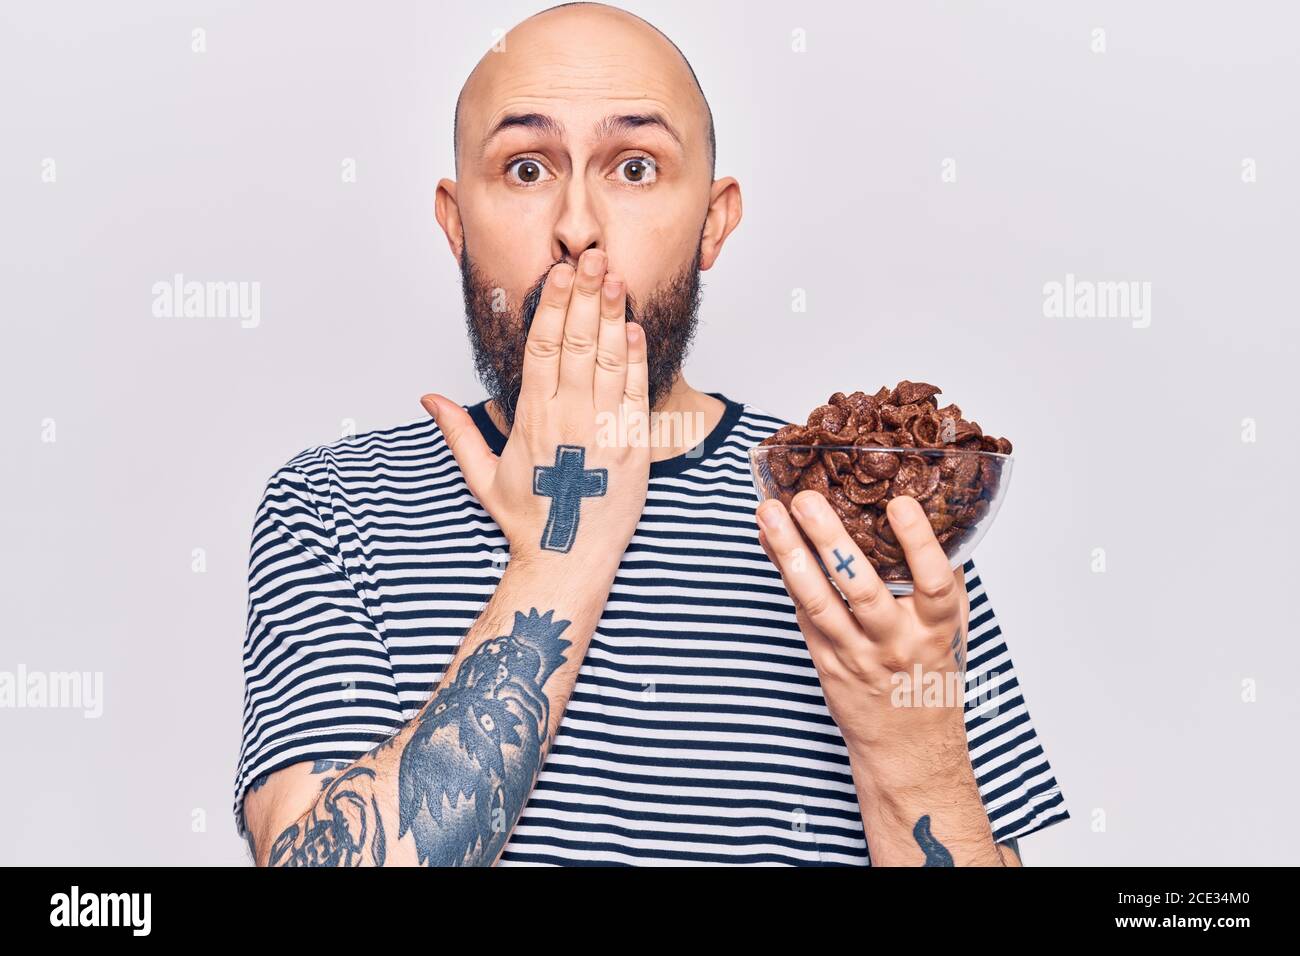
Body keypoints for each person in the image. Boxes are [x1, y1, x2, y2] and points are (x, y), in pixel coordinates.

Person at [236, 1, 1068, 866]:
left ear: (713, 220)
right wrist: (563, 552)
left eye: (635, 167)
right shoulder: (332, 505)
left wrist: (910, 750)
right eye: (525, 169)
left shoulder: (855, 505)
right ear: (455, 222)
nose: (578, 226)